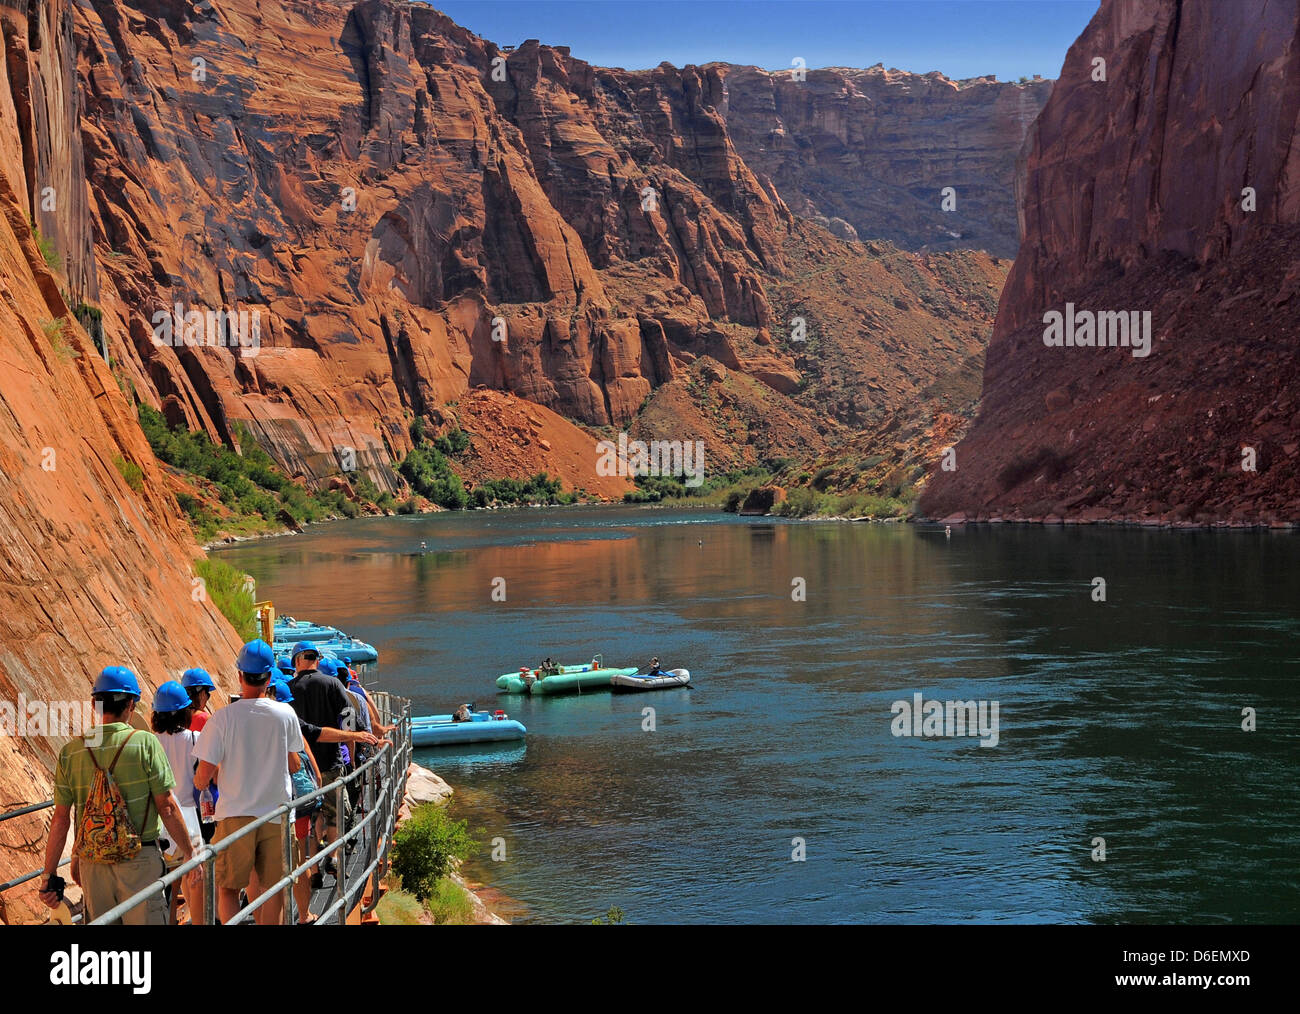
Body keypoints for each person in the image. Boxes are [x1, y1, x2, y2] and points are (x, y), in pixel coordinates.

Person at [38, 666, 198, 925]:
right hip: (139, 861)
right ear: (131, 704)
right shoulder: (145, 743)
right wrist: (190, 854)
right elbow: (166, 807)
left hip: (92, 866)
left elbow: (60, 819)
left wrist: (48, 874)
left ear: (94, 704)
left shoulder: (71, 751)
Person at [193, 639, 305, 925]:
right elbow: (294, 763)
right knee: (274, 889)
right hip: (277, 813)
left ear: (240, 676)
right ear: (269, 678)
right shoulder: (285, 714)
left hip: (234, 814)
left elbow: (201, 777)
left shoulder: (222, 719)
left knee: (228, 888)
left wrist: (219, 774)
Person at [288, 644, 376, 890]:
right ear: (317, 659)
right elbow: (348, 715)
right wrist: (350, 743)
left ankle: (313, 869)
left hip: (301, 766)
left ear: (297, 661)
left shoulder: (290, 688)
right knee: (336, 812)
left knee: (310, 815)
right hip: (332, 762)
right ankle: (335, 858)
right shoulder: (333, 684)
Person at [150, 680, 205, 924]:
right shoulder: (195, 738)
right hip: (190, 820)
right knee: (196, 882)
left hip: (159, 821)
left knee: (166, 888)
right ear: (185, 710)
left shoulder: (148, 743)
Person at [273, 678, 324, 925]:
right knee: (298, 860)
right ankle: (304, 915)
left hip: (273, 806)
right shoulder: (293, 729)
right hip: (298, 806)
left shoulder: (266, 728)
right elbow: (311, 769)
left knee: (271, 868)